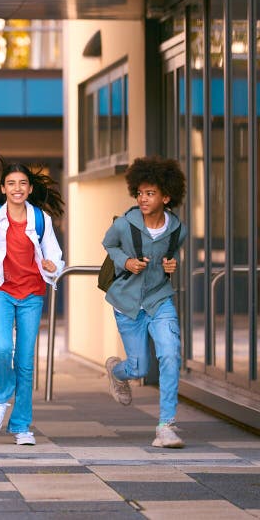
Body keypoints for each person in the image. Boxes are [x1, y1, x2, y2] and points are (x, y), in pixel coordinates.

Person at [0, 159, 65, 446]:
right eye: (11, 183)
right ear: (3, 188)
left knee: (25, 362)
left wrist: (51, 265)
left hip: (32, 294)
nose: (17, 188)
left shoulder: (40, 219)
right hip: (0, 288)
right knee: (2, 348)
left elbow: (55, 256)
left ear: (30, 188)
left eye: (22, 183)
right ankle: (0, 399)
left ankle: (21, 426)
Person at [103, 156, 187, 448]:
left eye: (150, 193)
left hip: (159, 299)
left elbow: (171, 254)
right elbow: (108, 244)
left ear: (166, 196)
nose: (143, 198)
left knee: (170, 354)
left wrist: (171, 264)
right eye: (139, 193)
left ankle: (166, 426)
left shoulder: (178, 229)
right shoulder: (125, 224)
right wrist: (126, 261)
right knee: (138, 368)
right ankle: (116, 370)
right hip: (127, 303)